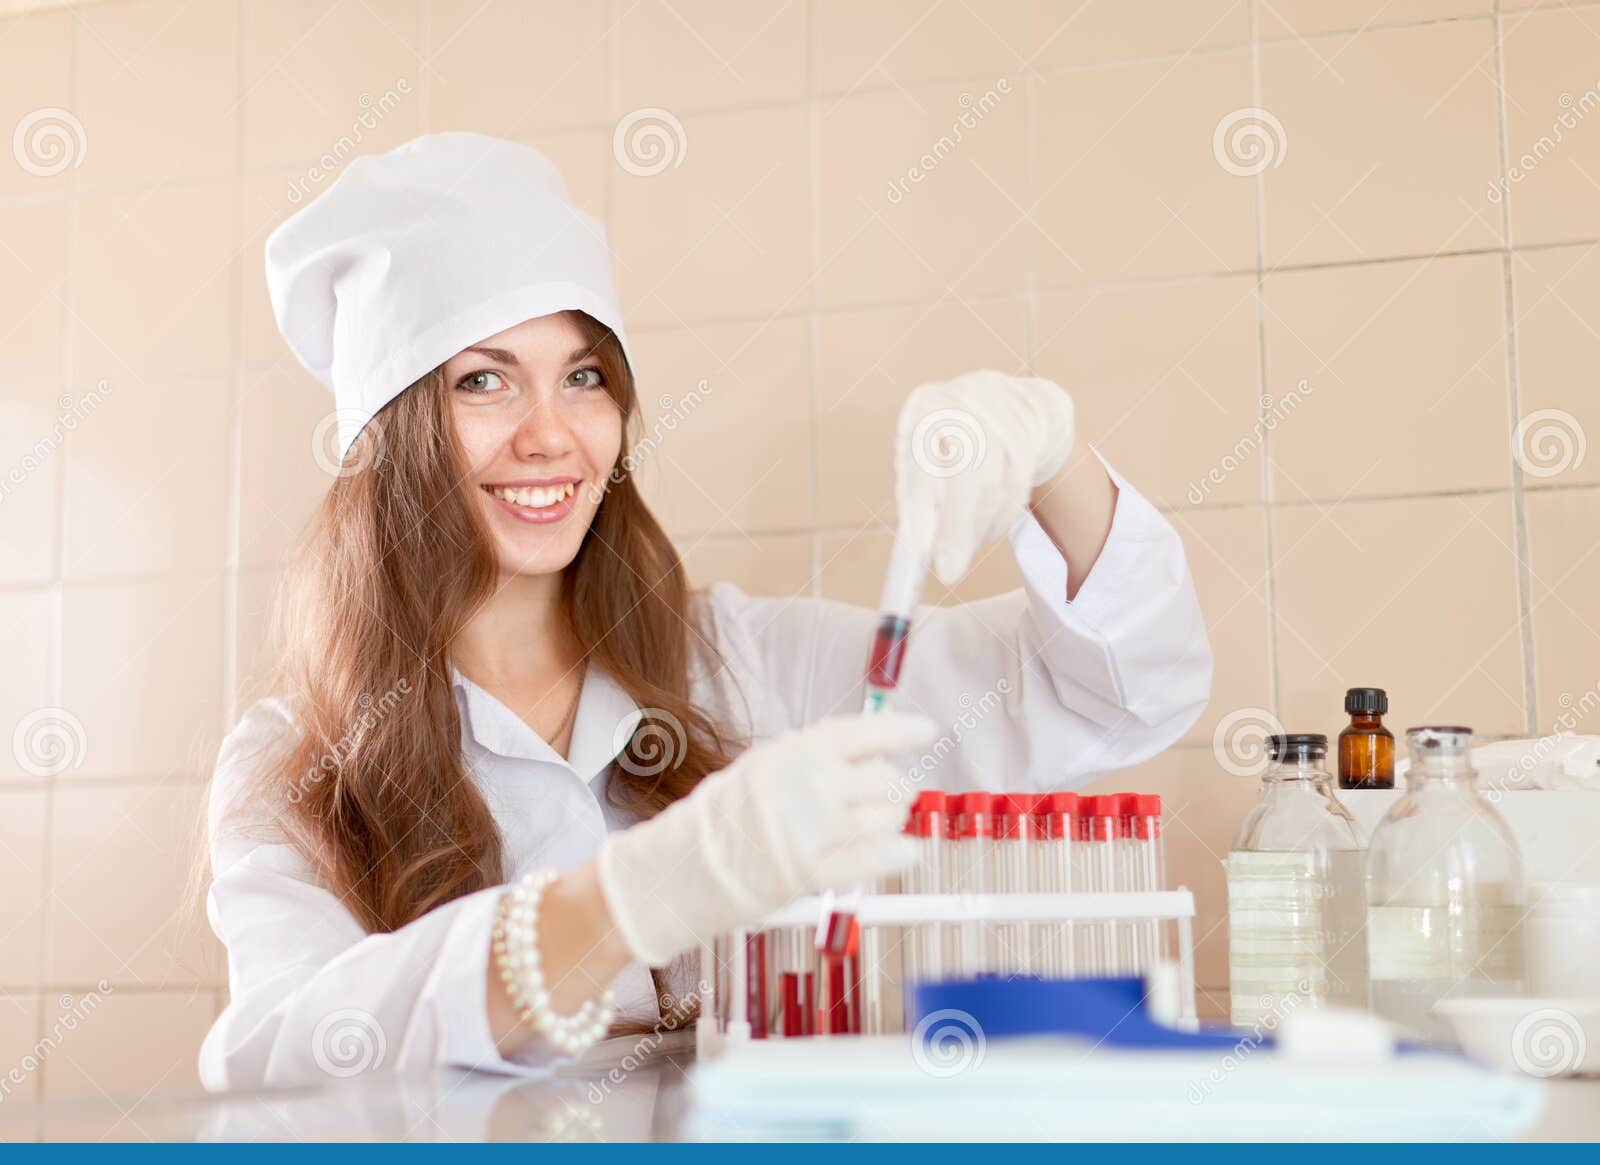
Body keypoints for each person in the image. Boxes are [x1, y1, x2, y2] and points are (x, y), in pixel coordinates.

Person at [199, 132, 1211, 1089]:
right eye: (484, 382)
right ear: (393, 431)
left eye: (584, 378)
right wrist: (630, 899)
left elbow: (1111, 699)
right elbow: (290, 1054)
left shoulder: (740, 662)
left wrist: (1052, 458)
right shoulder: (299, 762)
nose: (551, 435)